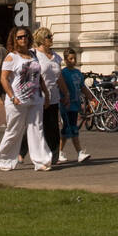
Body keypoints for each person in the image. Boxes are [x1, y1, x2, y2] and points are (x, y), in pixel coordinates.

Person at [0, 26, 53, 171]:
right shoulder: (11, 57)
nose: (23, 39)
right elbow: (4, 78)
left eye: (25, 36)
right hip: (18, 100)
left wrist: (46, 94)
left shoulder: (33, 55)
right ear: (14, 39)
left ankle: (41, 161)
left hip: (35, 98)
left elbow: (39, 77)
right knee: (14, 130)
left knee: (37, 129)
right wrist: (12, 96)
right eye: (19, 37)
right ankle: (5, 159)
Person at [33, 27, 70, 168]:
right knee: (38, 126)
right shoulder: (35, 55)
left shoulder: (56, 56)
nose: (51, 39)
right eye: (49, 37)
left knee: (53, 127)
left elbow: (59, 76)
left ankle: (53, 156)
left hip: (53, 96)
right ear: (42, 39)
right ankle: (25, 151)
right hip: (39, 95)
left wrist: (65, 93)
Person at [58, 47, 93, 164]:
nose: (73, 61)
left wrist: (91, 98)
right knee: (71, 128)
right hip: (66, 105)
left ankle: (59, 152)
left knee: (68, 129)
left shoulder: (78, 73)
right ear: (65, 60)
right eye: (70, 59)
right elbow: (61, 87)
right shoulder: (63, 73)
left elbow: (82, 87)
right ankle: (79, 152)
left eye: (74, 58)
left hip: (75, 105)